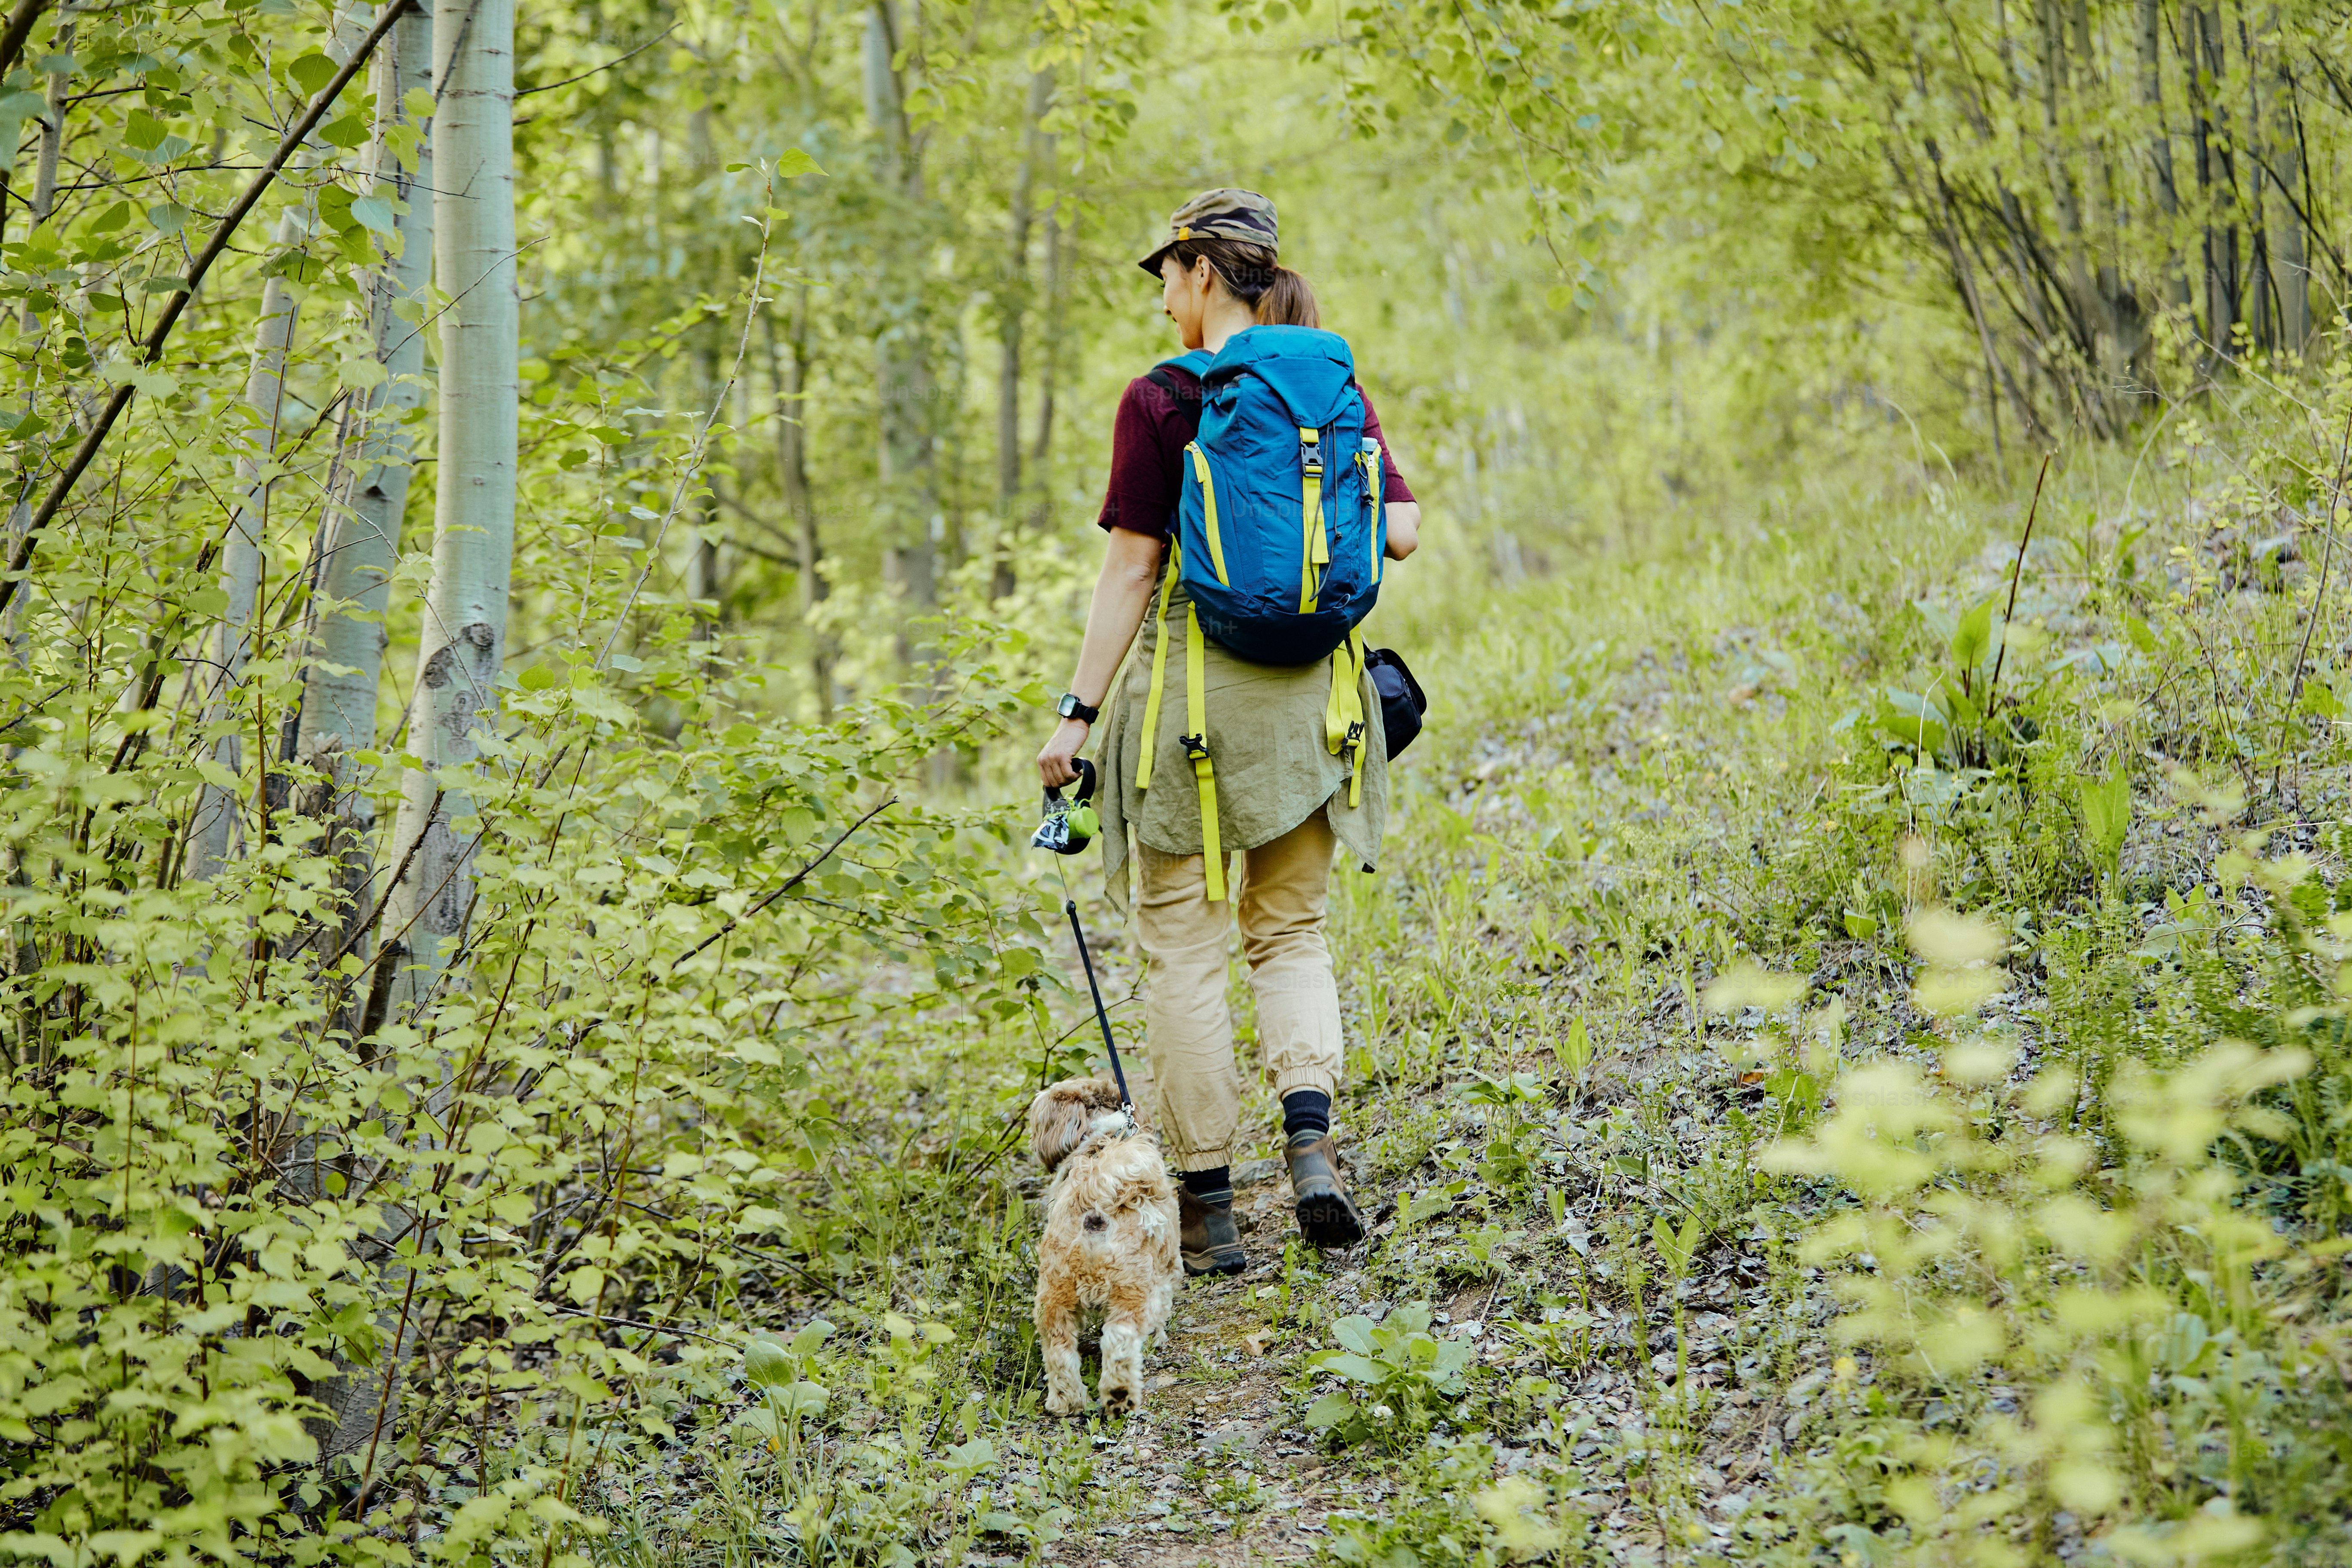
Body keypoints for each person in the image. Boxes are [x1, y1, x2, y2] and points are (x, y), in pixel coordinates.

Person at [1035, 188, 1421, 1276]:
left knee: (1186, 960)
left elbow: (1131, 569)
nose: (1161, 298)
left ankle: (1208, 1214)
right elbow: (1399, 531)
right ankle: (1312, 1151)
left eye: (1166, 273)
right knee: (1290, 934)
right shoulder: (1328, 384)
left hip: (1188, 716)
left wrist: (1075, 715)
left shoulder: (1163, 399)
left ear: (1204, 271)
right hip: (1311, 710)